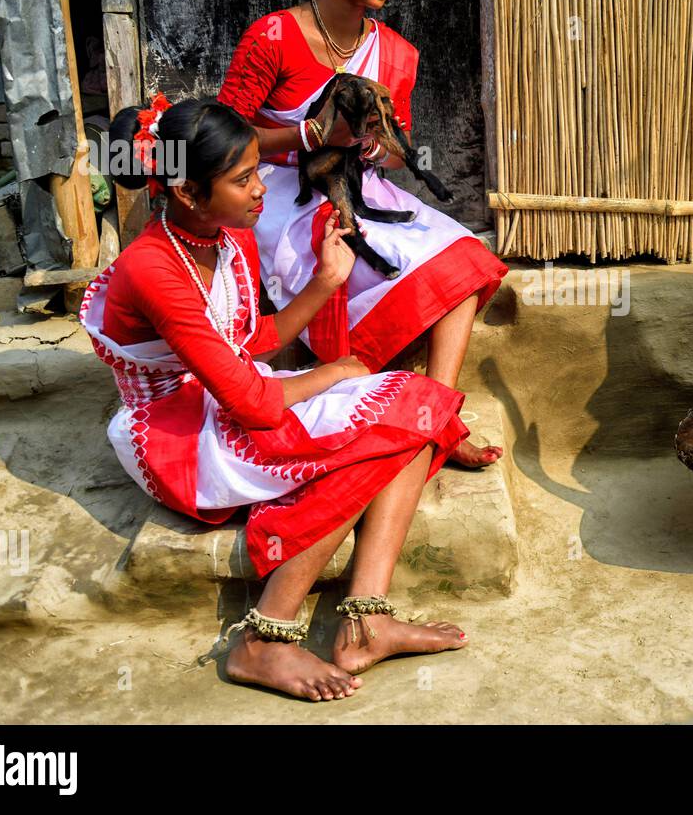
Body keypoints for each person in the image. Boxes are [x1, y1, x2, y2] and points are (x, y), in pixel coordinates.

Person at [82, 96, 473, 700]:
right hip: (178, 439)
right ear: (186, 192)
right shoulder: (152, 268)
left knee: (419, 408)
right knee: (388, 424)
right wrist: (334, 372)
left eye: (257, 168)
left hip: (230, 398)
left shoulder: (220, 239)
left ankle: (365, 619)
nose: (262, 187)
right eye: (242, 178)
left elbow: (250, 338)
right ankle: (263, 639)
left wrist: (325, 281)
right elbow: (254, 403)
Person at [217, 0, 505, 469]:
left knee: (464, 259)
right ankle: (383, 407)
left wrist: (375, 143)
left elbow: (396, 156)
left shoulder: (394, 53)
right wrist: (310, 137)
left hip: (363, 187)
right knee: (356, 255)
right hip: (277, 194)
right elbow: (224, 140)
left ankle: (435, 417)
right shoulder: (273, 36)